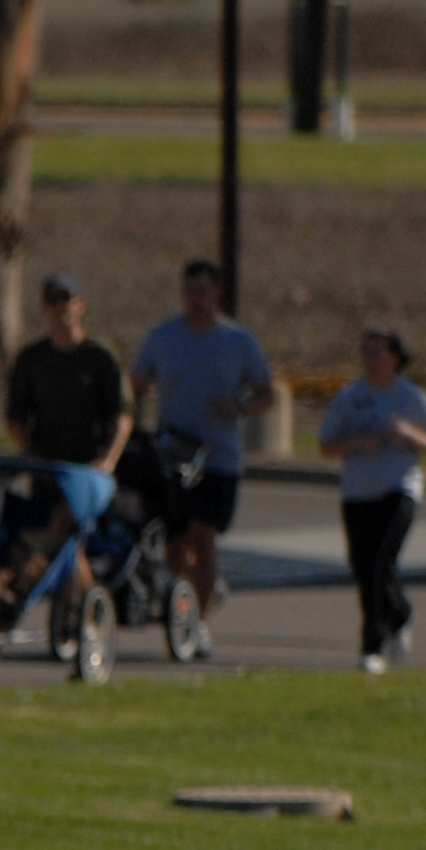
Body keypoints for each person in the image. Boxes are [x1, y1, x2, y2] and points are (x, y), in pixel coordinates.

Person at [132, 258, 275, 640]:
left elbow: (267, 394)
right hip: (172, 455)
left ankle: (199, 625)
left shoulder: (238, 341)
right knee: (177, 544)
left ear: (217, 292)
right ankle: (191, 599)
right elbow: (137, 382)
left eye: (204, 291)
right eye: (190, 291)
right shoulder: (162, 337)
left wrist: (240, 406)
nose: (197, 299)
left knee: (204, 535)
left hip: (218, 456)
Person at [317, 328, 426, 674]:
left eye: (379, 352)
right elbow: (326, 445)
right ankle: (400, 613)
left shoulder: (411, 397)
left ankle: (371, 646)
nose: (372, 359)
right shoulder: (351, 396)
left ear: (395, 358)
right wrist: (359, 442)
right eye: (367, 352)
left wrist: (409, 434)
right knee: (362, 566)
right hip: (358, 491)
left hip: (399, 488)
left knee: (380, 560)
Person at [0, 273, 132, 604]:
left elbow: (121, 416)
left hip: (87, 470)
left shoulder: (99, 358)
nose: (61, 308)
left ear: (80, 305)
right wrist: (27, 450)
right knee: (43, 536)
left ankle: (69, 605)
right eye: (53, 301)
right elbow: (16, 416)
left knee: (65, 528)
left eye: (67, 300)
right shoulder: (33, 359)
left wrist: (108, 460)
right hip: (48, 468)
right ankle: (73, 607)